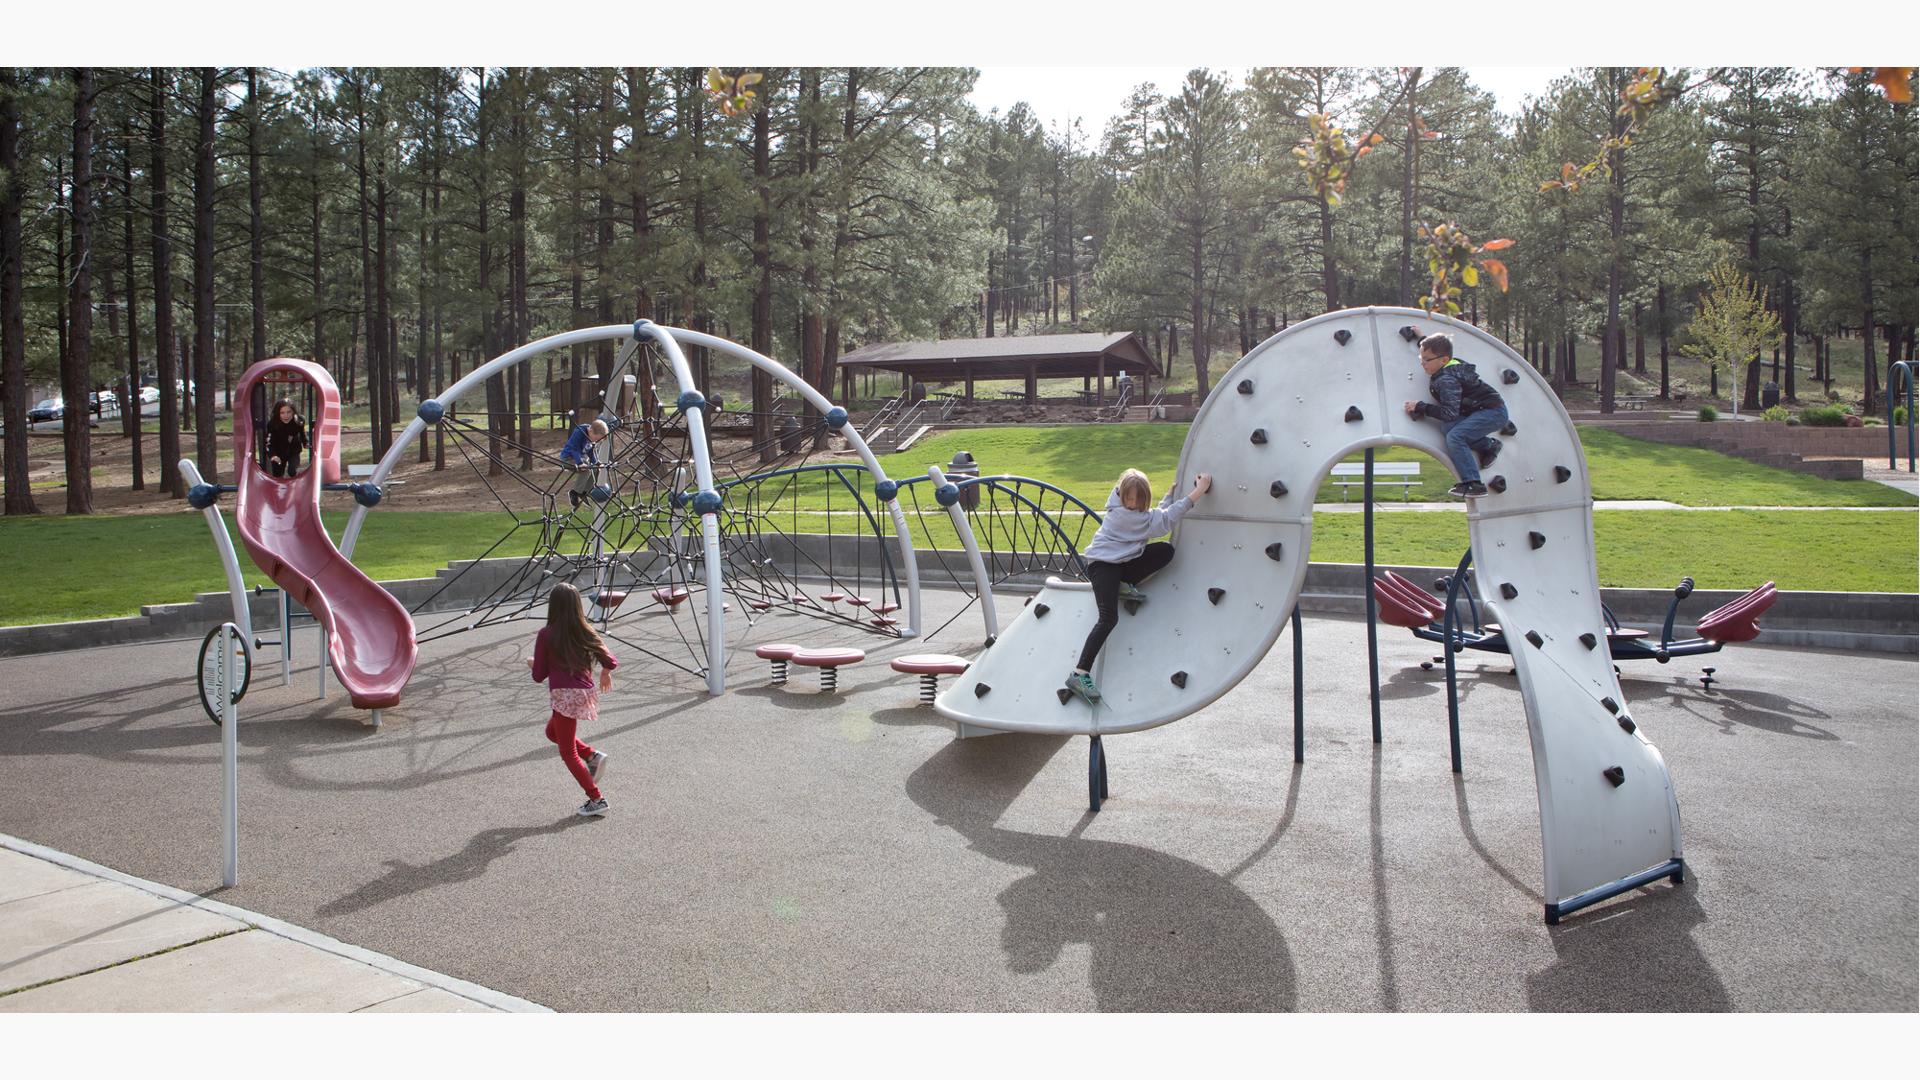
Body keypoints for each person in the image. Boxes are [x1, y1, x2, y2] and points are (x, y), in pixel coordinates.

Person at [1065, 467, 1212, 704]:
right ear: (1121, 497)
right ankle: (1079, 674)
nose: (1133, 504)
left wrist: (1170, 495)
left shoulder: (1136, 515)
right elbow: (1162, 520)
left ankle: (1124, 584)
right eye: (1129, 498)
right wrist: (1198, 492)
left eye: (1138, 499)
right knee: (1108, 618)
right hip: (1102, 566)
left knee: (1165, 551)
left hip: (1122, 562)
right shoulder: (1121, 514)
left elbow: (1155, 516)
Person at [527, 583, 617, 817]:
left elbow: (538, 675)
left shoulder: (547, 634)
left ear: (553, 607)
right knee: (552, 732)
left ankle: (596, 798)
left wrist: (533, 663)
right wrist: (606, 672)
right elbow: (610, 659)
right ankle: (591, 754)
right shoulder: (584, 629)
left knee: (568, 752)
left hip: (564, 696)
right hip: (582, 694)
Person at [1403, 332, 1508, 498]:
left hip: (1492, 413)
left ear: (1443, 360)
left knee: (1455, 436)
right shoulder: (1449, 364)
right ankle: (1488, 446)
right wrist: (1422, 338)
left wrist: (1421, 407)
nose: (1422, 363)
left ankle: (1473, 483)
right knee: (1447, 428)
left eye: (1426, 359)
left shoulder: (1447, 380)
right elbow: (1438, 349)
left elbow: (1449, 413)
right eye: (1421, 358)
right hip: (1480, 410)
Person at [559, 416, 610, 509]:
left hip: (581, 459)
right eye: (596, 438)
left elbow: (590, 451)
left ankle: (584, 492)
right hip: (567, 459)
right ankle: (574, 493)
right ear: (590, 431)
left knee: (595, 469)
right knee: (586, 470)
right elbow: (574, 449)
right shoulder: (580, 432)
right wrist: (579, 463)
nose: (596, 441)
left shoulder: (590, 436)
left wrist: (596, 462)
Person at [264, 399, 309, 478]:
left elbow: (302, 433)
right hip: (278, 451)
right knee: (277, 473)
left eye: (289, 412)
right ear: (278, 413)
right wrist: (273, 455)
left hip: (293, 450)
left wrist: (305, 442)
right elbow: (269, 442)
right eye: (282, 413)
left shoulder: (298, 421)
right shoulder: (273, 424)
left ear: (293, 412)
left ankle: (296, 478)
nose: (286, 415)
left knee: (292, 471)